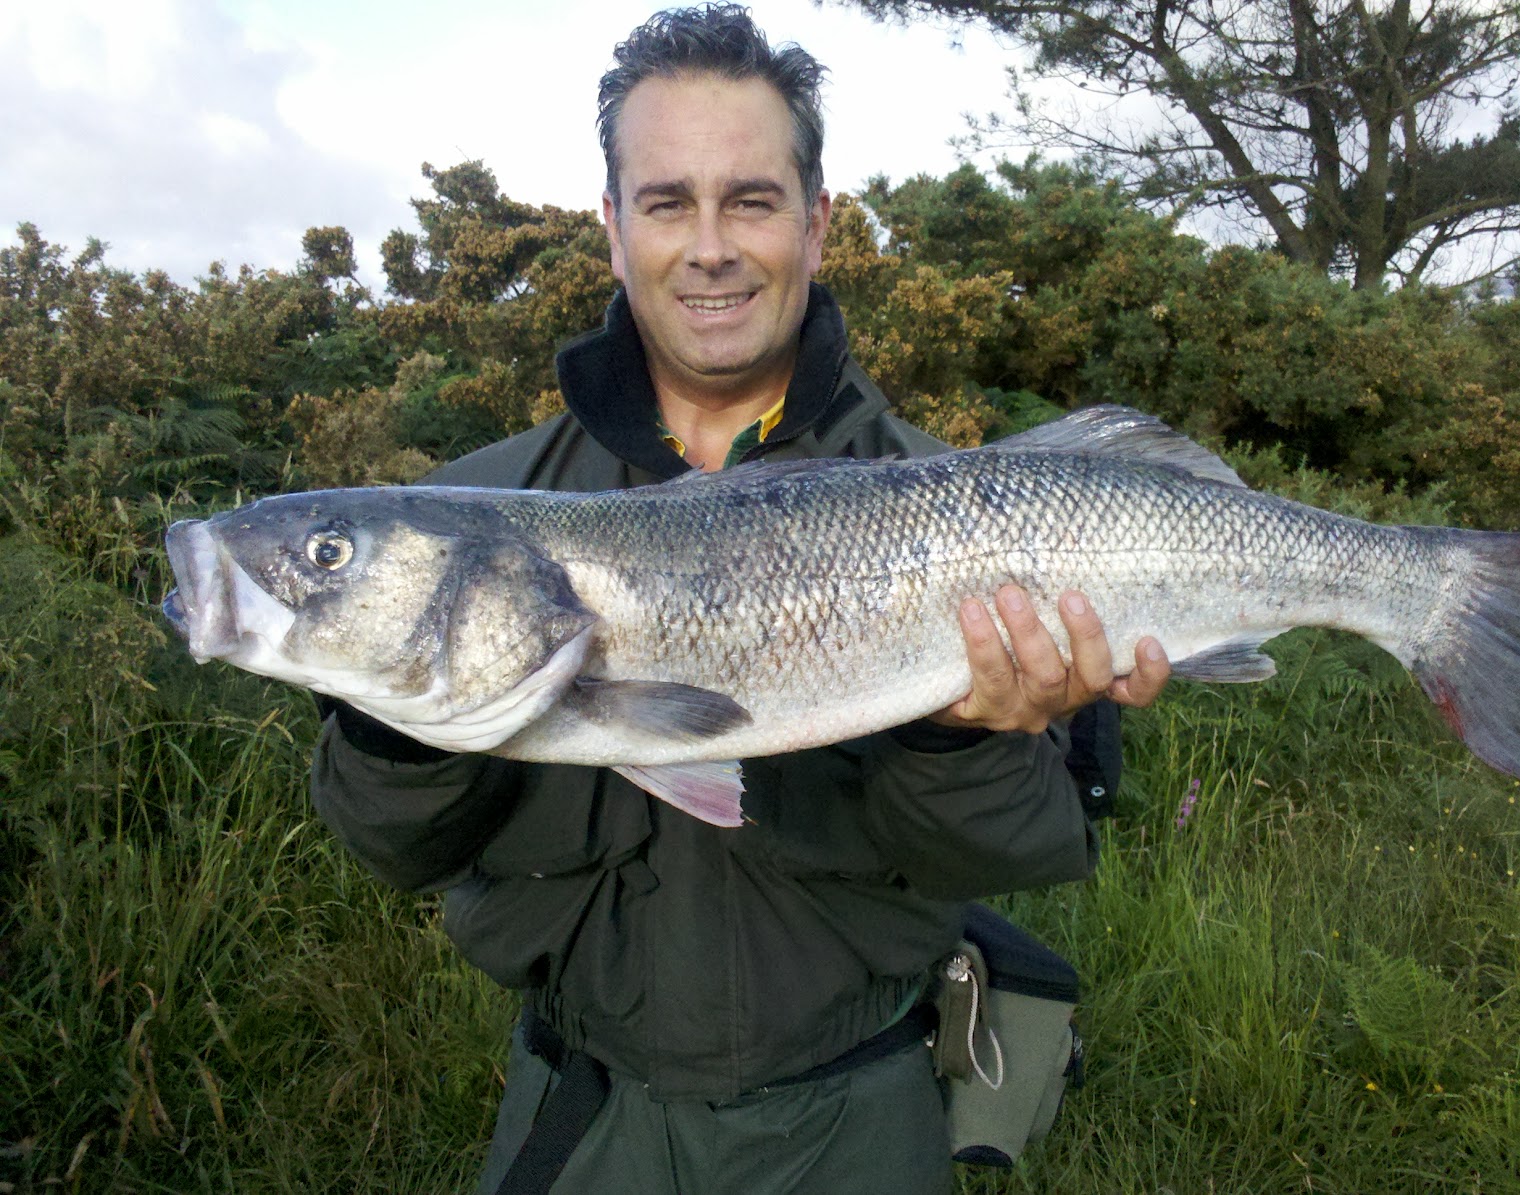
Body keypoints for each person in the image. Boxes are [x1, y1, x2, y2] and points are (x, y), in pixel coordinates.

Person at [310, 6, 1170, 1193]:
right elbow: (395, 846)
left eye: (751, 200)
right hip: (581, 1110)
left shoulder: (991, 513)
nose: (709, 246)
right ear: (614, 230)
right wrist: (390, 704)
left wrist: (956, 733)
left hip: (859, 1114)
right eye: (667, 203)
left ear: (816, 224)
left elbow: (1026, 847)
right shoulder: (464, 520)